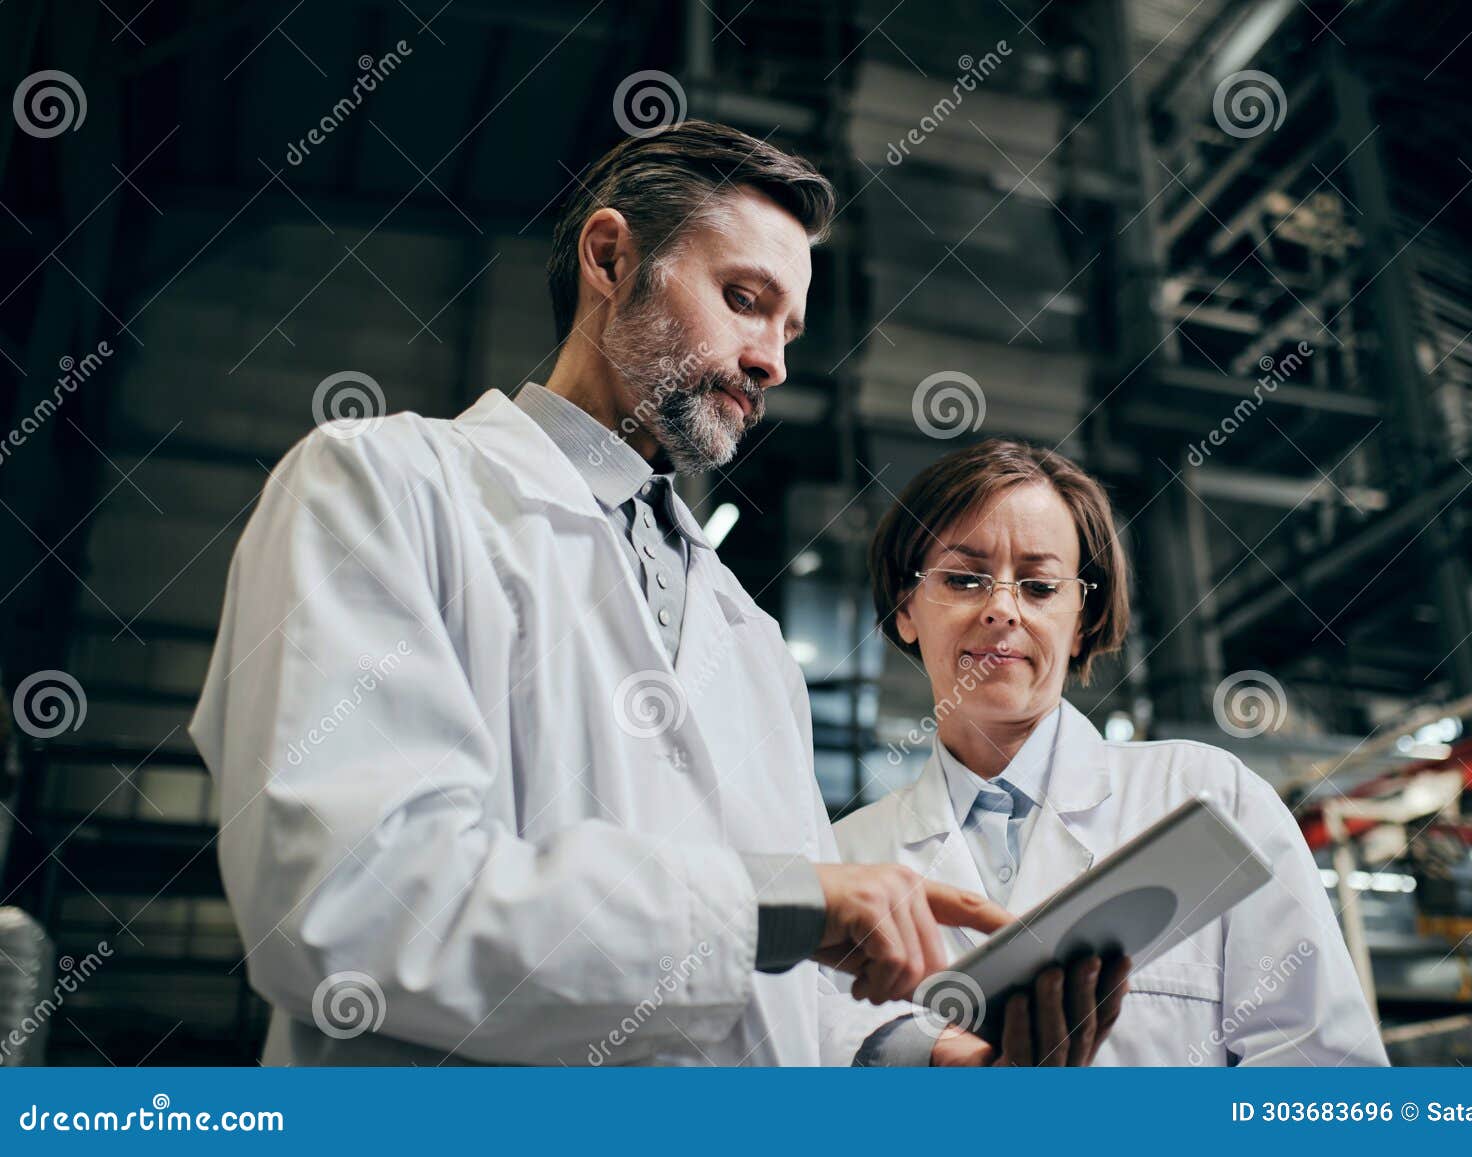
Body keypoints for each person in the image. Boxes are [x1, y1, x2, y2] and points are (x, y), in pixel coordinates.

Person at [188, 120, 1115, 1066]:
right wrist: (777, 903)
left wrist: (920, 1057)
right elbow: (352, 901)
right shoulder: (382, 488)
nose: (773, 361)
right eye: (744, 300)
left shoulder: (749, 637)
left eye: (788, 330)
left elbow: (789, 992)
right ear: (610, 259)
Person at [834, 438, 1391, 1066]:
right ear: (906, 609)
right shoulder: (842, 859)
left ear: (1082, 620)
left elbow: (1323, 1071)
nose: (1001, 609)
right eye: (964, 579)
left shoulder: (1210, 798)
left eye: (1040, 586)